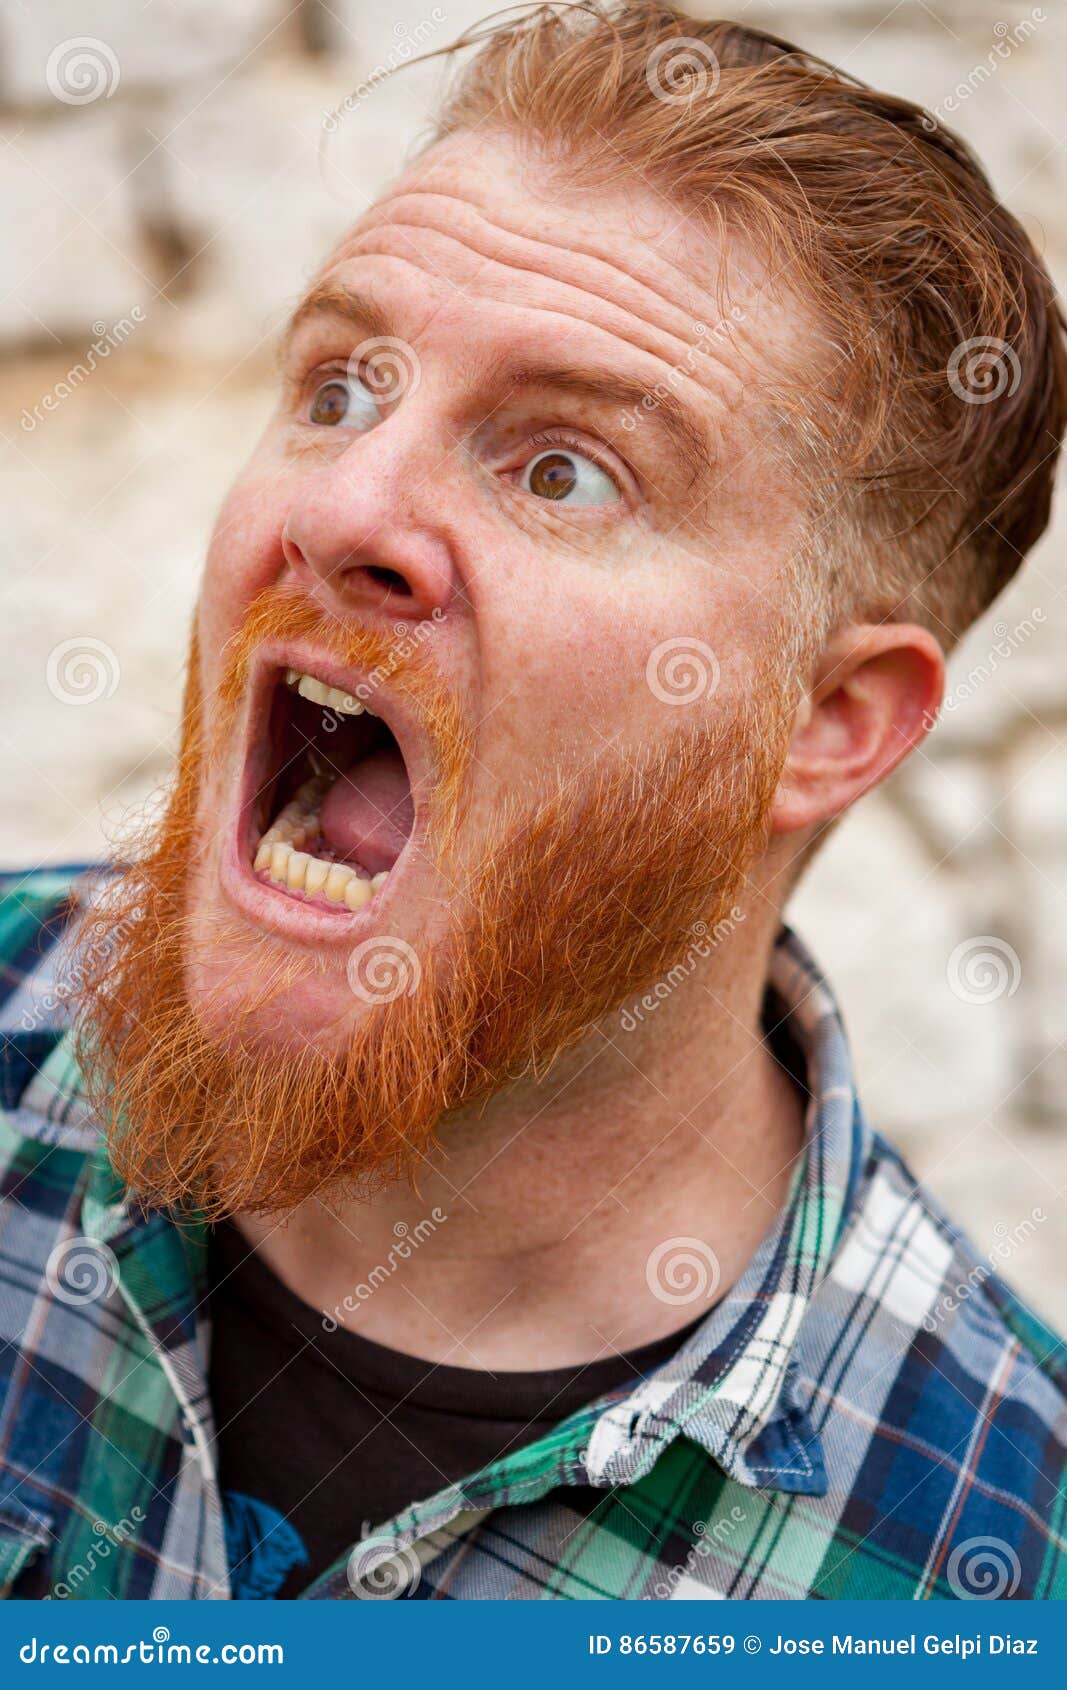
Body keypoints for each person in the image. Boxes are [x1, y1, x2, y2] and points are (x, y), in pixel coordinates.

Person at [2, 4, 1065, 1601]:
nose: (345, 506)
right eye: (342, 388)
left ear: (827, 722)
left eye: (563, 469)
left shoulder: (1000, 1559)